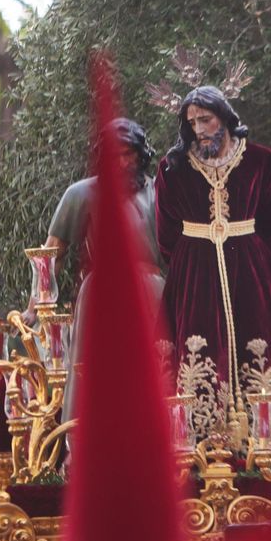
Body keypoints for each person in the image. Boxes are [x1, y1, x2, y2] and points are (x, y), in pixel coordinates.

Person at [155, 86, 271, 455]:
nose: (199, 129)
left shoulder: (260, 161)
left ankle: (266, 441)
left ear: (225, 117)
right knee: (196, 346)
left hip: (250, 269)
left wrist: (251, 255)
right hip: (194, 273)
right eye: (191, 122)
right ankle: (196, 443)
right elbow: (166, 234)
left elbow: (268, 219)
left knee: (257, 342)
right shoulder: (172, 168)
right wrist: (192, 260)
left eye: (206, 119)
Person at [25, 117, 164, 423]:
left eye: (129, 154)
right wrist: (34, 307)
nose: (123, 162)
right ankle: (84, 438)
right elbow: (51, 255)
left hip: (152, 292)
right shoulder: (81, 194)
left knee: (157, 368)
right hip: (103, 293)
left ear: (141, 154)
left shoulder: (159, 193)